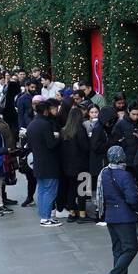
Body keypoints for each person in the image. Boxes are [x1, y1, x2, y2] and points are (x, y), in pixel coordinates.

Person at [97, 146, 138, 274]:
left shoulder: (104, 173)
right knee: (130, 248)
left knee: (118, 249)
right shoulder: (125, 175)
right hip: (124, 217)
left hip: (110, 215)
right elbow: (132, 199)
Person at [25, 97, 63, 227]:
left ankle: (43, 216)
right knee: (50, 191)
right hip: (49, 163)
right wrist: (59, 137)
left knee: (41, 190)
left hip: (38, 162)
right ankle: (46, 218)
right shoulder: (45, 125)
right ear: (46, 111)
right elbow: (51, 144)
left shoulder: (31, 124)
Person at [59, 105, 91, 222]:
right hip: (81, 165)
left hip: (68, 167)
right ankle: (82, 214)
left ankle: (72, 213)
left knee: (71, 189)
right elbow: (85, 147)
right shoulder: (80, 130)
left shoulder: (64, 131)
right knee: (81, 190)